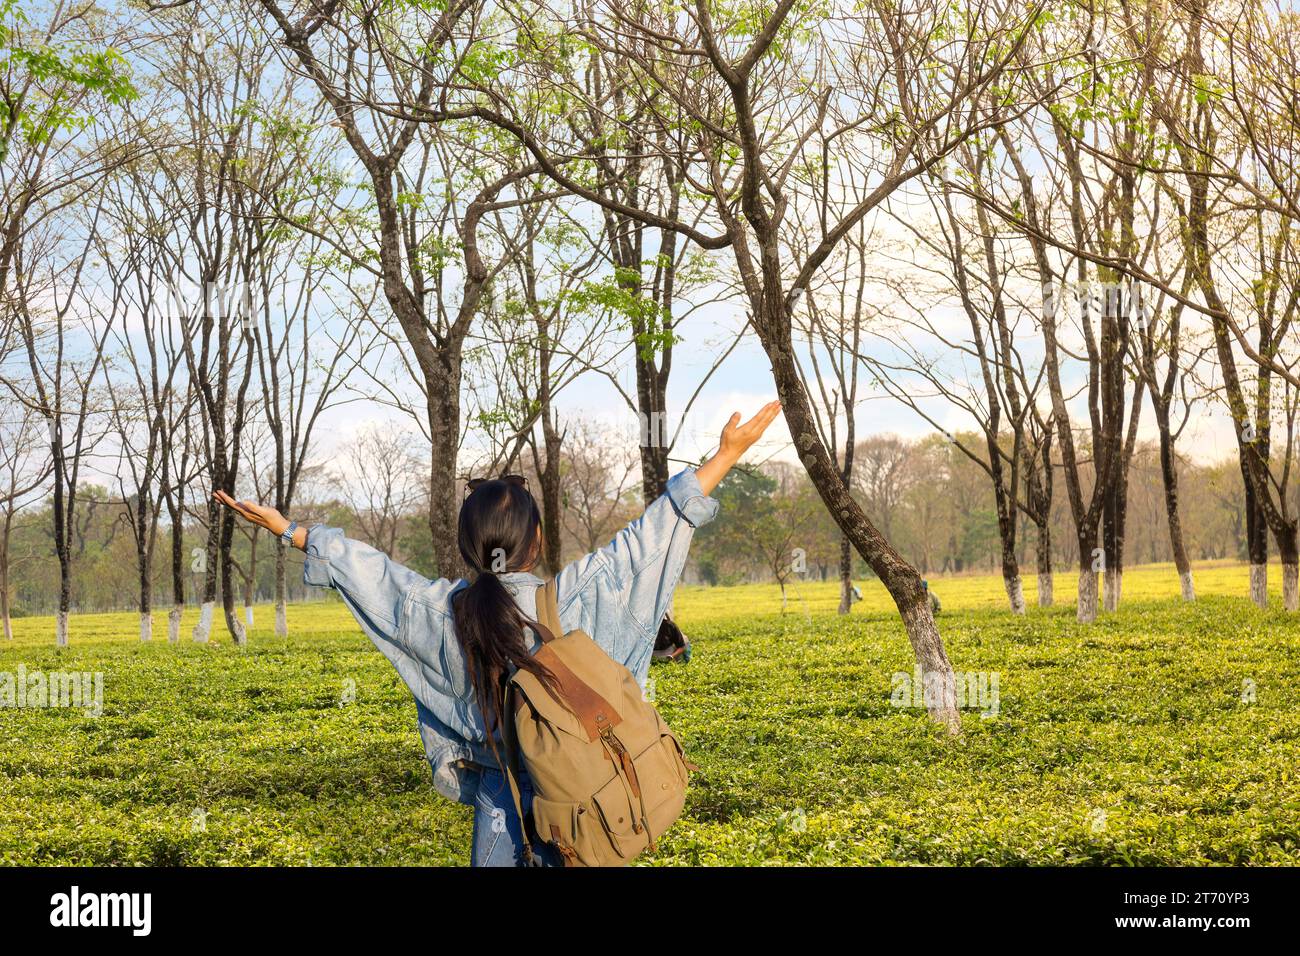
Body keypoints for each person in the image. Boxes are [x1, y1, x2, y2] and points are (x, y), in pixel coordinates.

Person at [214, 400, 782, 867]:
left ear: (467, 546)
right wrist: (726, 456)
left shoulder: (441, 613)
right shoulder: (574, 598)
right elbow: (650, 538)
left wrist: (294, 531)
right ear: (535, 541)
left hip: (499, 805)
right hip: (591, 803)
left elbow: (374, 577)